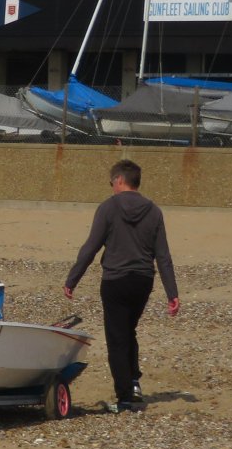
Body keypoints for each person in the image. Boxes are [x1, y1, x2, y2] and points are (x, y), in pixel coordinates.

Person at [64, 159, 179, 414]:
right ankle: (134, 382)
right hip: (142, 281)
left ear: (119, 181)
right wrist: (173, 293)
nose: (111, 187)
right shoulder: (154, 211)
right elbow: (163, 255)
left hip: (115, 281)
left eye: (111, 183)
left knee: (117, 338)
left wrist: (72, 279)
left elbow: (91, 247)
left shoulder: (108, 207)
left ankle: (125, 398)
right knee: (129, 330)